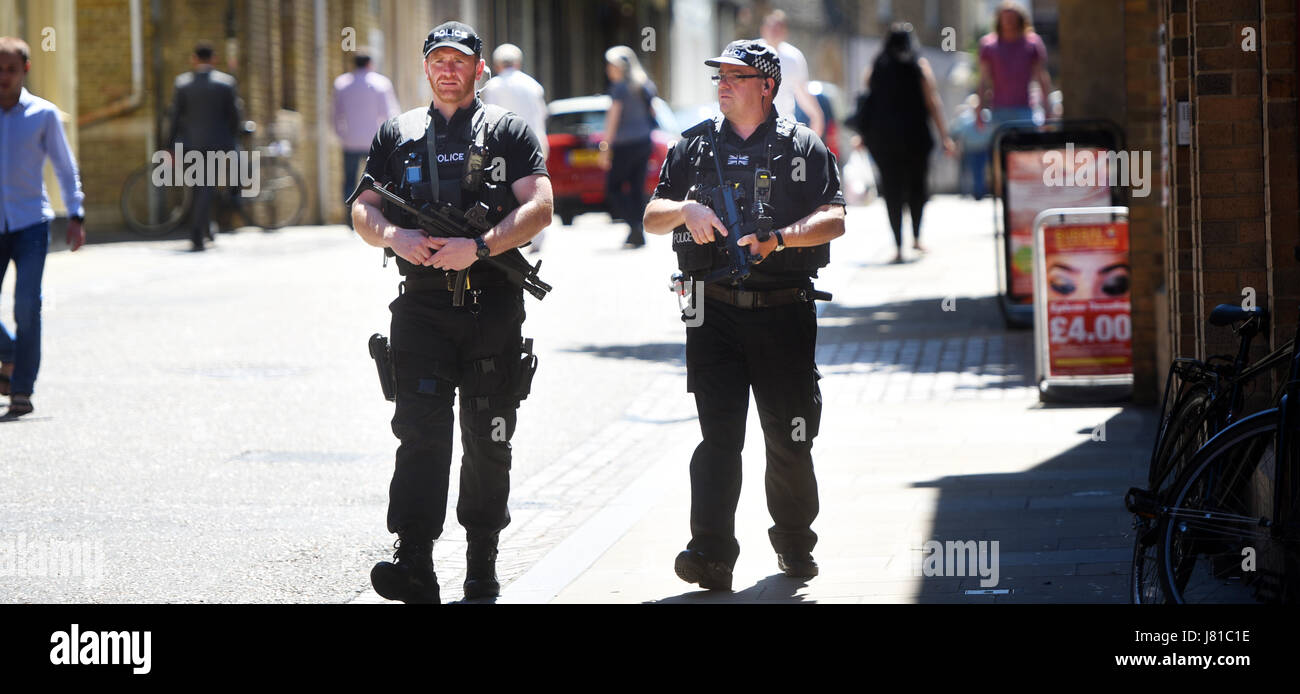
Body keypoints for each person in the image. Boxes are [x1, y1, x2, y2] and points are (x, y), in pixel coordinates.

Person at [349, 21, 552, 604]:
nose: (447, 68)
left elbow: (540, 205)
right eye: (438, 59)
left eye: (459, 60)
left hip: (491, 304)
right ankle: (414, 558)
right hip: (421, 305)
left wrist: (480, 246)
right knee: (419, 432)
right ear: (425, 67)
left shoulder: (508, 131)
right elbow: (363, 209)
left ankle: (481, 559)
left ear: (479, 69)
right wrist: (395, 237)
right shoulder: (398, 133)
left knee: (489, 434)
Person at [643, 39, 846, 591]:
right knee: (718, 438)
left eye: (737, 76)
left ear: (767, 86)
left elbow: (834, 218)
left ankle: (795, 542)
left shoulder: (803, 146)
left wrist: (778, 239)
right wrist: (685, 209)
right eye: (720, 76)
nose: (724, 84)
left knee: (789, 437)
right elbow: (652, 216)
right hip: (711, 313)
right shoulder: (693, 145)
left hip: (783, 312)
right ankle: (711, 554)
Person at [0, 37, 86, 420]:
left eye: (11, 70)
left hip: (31, 223)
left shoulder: (43, 114)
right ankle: (9, 353)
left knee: (26, 305)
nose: (3, 77)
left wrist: (76, 214)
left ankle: (21, 389)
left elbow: (65, 169)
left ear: (25, 70)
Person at [856, 24, 954, 264]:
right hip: (915, 138)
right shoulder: (919, 66)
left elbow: (866, 101)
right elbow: (932, 102)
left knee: (892, 192)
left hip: (884, 140)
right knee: (917, 189)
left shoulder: (876, 67)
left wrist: (862, 134)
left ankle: (899, 246)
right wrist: (944, 136)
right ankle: (917, 238)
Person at [164, 42, 244, 251]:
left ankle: (204, 229)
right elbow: (234, 116)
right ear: (214, 59)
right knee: (207, 188)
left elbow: (174, 118)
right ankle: (198, 234)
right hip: (218, 144)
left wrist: (169, 146)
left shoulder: (183, 84)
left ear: (194, 59)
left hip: (191, 145)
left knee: (199, 188)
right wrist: (232, 137)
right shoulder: (226, 83)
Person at [480, 43, 549, 253]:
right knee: (535, 192)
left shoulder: (492, 87)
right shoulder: (533, 85)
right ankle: (537, 237)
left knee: (506, 192)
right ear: (518, 63)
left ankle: (511, 238)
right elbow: (542, 115)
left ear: (497, 65)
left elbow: (488, 117)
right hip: (535, 143)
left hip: (504, 146)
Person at [333, 49, 400, 227]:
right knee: (379, 180)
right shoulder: (381, 84)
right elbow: (390, 114)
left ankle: (350, 219)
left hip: (351, 141)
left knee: (349, 180)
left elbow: (336, 114)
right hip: (375, 142)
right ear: (370, 64)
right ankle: (377, 215)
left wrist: (342, 135)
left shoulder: (342, 84)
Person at [598, 45, 656, 249]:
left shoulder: (620, 88)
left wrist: (605, 147)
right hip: (644, 142)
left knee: (613, 188)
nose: (608, 70)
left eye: (611, 66)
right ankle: (637, 231)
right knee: (637, 189)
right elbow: (653, 113)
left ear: (620, 67)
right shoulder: (644, 85)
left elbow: (613, 119)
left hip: (625, 145)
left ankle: (634, 226)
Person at [977, 1, 1055, 129]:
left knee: (1029, 140)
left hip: (1025, 109)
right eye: (1005, 18)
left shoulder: (1032, 44)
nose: (1009, 21)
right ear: (999, 20)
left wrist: (1048, 108)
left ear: (1020, 19)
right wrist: (979, 110)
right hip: (998, 110)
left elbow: (1041, 77)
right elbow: (983, 80)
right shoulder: (989, 46)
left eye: (1012, 17)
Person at [760, 10, 824, 139]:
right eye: (771, 27)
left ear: (785, 32)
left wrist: (816, 116)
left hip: (784, 124)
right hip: (755, 125)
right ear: (763, 29)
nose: (774, 32)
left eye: (778, 28)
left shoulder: (794, 57)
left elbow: (802, 91)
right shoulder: (752, 53)